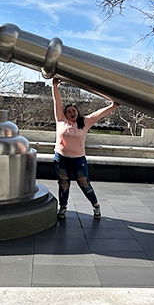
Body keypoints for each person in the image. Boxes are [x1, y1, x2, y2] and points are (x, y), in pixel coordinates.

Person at [52, 77, 120, 220]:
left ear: (78, 112)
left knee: (84, 183)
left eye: (74, 110)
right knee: (63, 183)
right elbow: (57, 102)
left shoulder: (85, 122)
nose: (71, 112)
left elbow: (100, 113)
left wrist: (114, 105)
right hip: (61, 158)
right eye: (69, 110)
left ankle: (95, 206)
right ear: (65, 113)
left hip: (78, 160)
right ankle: (63, 208)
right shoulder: (61, 120)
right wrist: (54, 85)